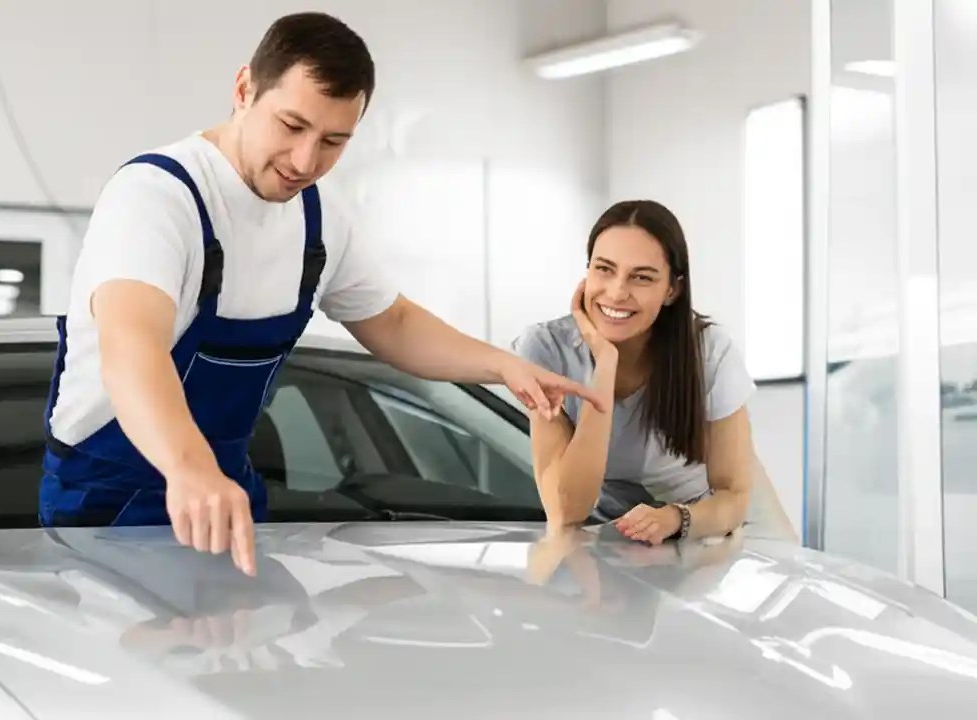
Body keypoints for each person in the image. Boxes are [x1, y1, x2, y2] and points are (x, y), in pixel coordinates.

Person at [40, 11, 605, 576]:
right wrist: (190, 470)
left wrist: (504, 366)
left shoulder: (319, 220)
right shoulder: (157, 197)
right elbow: (131, 345)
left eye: (334, 141)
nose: (306, 162)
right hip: (106, 510)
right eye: (291, 126)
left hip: (226, 496)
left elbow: (394, 323)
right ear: (244, 89)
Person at [513, 199, 758, 545]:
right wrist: (604, 364)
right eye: (604, 269)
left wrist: (675, 518)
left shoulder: (710, 352)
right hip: (600, 548)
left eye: (641, 277)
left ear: (672, 290)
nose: (616, 292)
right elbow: (566, 511)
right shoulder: (545, 349)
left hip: (698, 541)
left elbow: (734, 496)